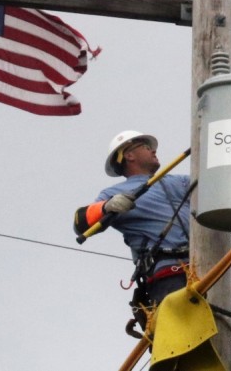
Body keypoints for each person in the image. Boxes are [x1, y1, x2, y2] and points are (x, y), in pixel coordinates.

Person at [72, 130, 191, 322]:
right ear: (129, 155)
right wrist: (106, 207)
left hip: (205, 265)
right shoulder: (115, 193)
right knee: (183, 327)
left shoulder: (178, 182)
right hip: (167, 273)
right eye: (146, 147)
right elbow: (81, 223)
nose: (153, 151)